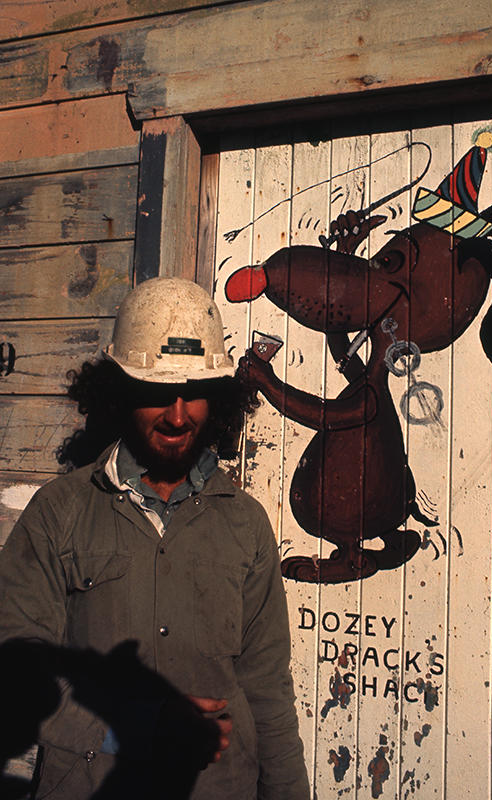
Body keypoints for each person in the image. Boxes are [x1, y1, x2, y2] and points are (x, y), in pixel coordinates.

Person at [0, 277, 310, 800]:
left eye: (194, 394)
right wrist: (134, 726)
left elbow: (268, 692)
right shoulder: (59, 513)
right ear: (121, 393)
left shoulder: (247, 524)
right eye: (157, 392)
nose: (178, 415)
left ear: (219, 401)